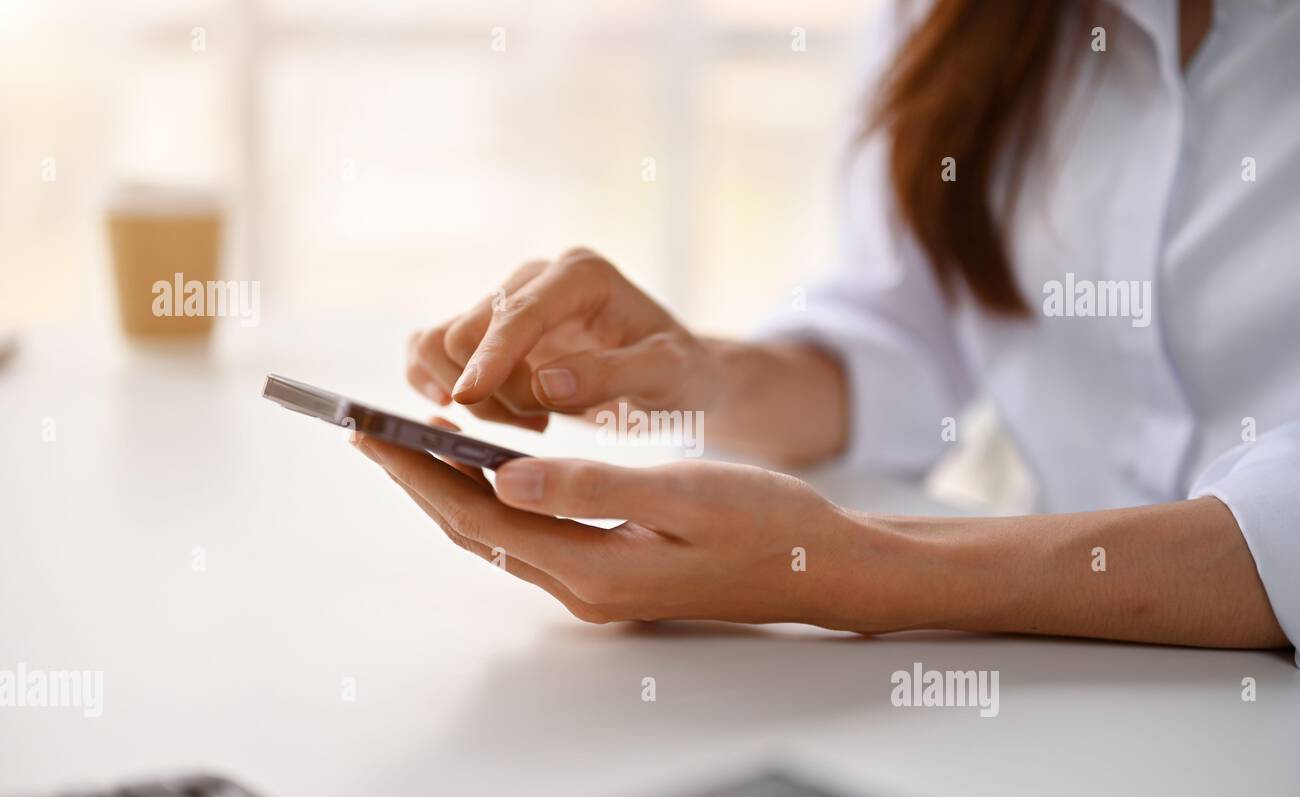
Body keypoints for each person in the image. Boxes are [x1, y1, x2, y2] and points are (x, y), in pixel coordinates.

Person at [355, 0, 1297, 654]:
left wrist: (858, 575)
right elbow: (901, 333)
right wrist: (695, 373)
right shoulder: (971, 20)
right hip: (1088, 699)